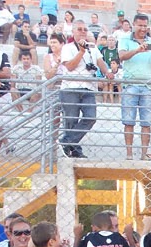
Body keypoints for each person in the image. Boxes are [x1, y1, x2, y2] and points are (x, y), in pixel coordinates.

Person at [60, 20, 109, 158]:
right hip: (71, 87)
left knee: (90, 117)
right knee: (71, 120)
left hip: (88, 88)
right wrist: (81, 52)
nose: (82, 32)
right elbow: (69, 67)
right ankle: (74, 150)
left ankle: (67, 141)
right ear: (73, 31)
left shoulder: (93, 48)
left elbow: (101, 63)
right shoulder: (67, 47)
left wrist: (108, 72)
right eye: (79, 29)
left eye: (84, 29)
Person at [117, 14, 151, 160]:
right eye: (140, 25)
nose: (143, 28)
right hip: (130, 85)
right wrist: (137, 50)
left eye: (145, 25)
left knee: (146, 123)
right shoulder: (125, 40)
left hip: (148, 86)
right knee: (128, 121)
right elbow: (122, 56)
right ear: (133, 25)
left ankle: (144, 154)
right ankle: (129, 154)